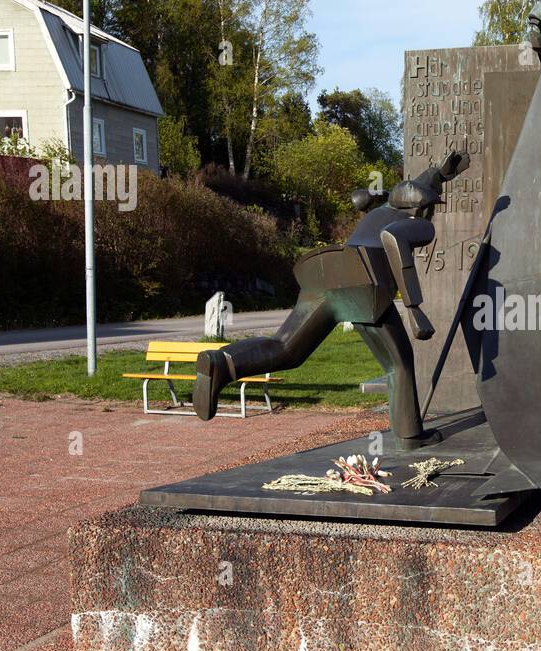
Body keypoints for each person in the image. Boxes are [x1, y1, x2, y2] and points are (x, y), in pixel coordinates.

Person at [192, 150, 471, 451]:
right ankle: (410, 437)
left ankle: (223, 362)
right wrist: (414, 308)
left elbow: (412, 189)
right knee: (399, 362)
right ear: (424, 207)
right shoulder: (417, 223)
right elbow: (393, 239)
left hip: (325, 268)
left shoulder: (381, 209)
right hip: (363, 281)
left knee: (286, 348)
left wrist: (441, 173)